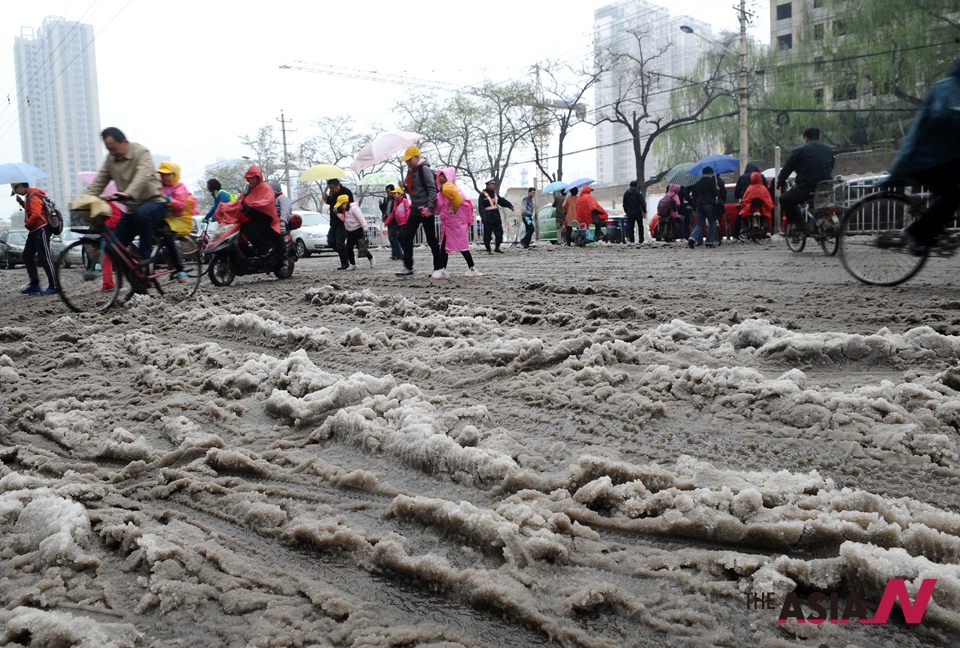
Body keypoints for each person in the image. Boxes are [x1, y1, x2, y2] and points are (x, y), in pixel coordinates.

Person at [884, 58, 960, 255]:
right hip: (923, 160)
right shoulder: (947, 87)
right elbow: (941, 115)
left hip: (943, 160)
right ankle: (916, 234)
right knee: (953, 195)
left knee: (950, 196)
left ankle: (933, 230)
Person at [86, 127, 169, 262]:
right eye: (109, 149)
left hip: (155, 202)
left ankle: (146, 259)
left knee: (142, 214)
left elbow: (142, 176)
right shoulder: (110, 160)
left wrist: (128, 193)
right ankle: (135, 277)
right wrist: (86, 199)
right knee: (115, 247)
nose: (112, 152)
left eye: (114, 148)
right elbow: (99, 181)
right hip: (131, 209)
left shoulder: (141, 152)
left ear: (125, 142)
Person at [217, 165, 283, 267]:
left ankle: (265, 249)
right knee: (242, 227)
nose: (251, 180)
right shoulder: (248, 189)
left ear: (258, 177)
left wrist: (252, 205)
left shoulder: (265, 188)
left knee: (249, 228)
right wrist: (224, 208)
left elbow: (268, 200)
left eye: (253, 178)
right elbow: (239, 201)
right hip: (251, 216)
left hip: (265, 217)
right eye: (249, 178)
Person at [777, 128, 835, 232]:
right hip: (825, 186)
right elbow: (831, 165)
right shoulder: (829, 149)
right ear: (818, 137)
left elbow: (788, 168)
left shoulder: (800, 150)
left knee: (784, 199)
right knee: (818, 203)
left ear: (805, 138)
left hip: (806, 188)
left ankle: (800, 225)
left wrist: (780, 181)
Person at [397, 146, 441, 276]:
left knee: (431, 239)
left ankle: (438, 268)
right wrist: (403, 187)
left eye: (409, 159)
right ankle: (408, 267)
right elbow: (413, 190)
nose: (407, 162)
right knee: (406, 237)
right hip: (415, 209)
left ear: (416, 157)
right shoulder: (411, 171)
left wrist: (430, 208)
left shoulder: (424, 169)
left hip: (426, 210)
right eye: (406, 160)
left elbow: (432, 189)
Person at [11, 182, 58, 294]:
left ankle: (55, 286)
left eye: (16, 190)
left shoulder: (33, 195)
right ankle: (34, 283)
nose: (17, 193)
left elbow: (36, 215)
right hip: (34, 231)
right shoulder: (29, 197)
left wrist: (27, 223)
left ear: (21, 186)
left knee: (45, 258)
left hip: (41, 229)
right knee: (27, 255)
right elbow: (32, 210)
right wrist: (22, 203)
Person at [433, 167, 480, 278]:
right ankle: (445, 269)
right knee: (448, 247)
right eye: (440, 176)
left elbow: (459, 198)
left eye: (443, 176)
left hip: (455, 224)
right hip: (449, 225)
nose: (441, 178)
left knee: (461, 248)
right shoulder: (444, 191)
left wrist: (453, 208)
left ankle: (470, 268)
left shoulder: (449, 188)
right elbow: (439, 206)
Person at [157, 161, 195, 280]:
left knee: (169, 239)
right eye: (162, 175)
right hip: (163, 219)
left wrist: (169, 199)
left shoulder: (180, 188)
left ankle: (180, 269)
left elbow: (181, 206)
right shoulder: (159, 187)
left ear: (174, 175)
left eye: (168, 174)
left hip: (177, 220)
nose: (165, 177)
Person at [334, 194, 374, 269]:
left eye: (341, 205)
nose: (340, 207)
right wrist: (337, 214)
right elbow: (343, 219)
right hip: (350, 231)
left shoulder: (354, 208)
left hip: (358, 230)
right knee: (348, 248)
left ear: (345, 203)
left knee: (361, 248)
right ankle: (353, 264)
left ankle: (371, 258)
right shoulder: (344, 210)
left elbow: (361, 218)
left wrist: (365, 228)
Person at [477, 178, 514, 254]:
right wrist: (484, 218)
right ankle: (488, 249)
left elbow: (501, 201)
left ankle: (497, 248)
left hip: (496, 217)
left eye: (494, 184)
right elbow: (481, 208)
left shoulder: (495, 194)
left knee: (499, 233)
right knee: (487, 235)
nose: (493, 186)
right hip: (488, 217)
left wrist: (509, 205)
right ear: (487, 185)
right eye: (492, 184)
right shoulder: (482, 195)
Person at [324, 178, 353, 270]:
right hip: (334, 222)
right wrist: (326, 199)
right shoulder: (332, 193)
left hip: (343, 222)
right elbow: (332, 203)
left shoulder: (346, 192)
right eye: (329, 188)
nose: (331, 190)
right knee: (331, 241)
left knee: (340, 242)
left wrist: (339, 210)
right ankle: (346, 255)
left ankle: (345, 263)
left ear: (337, 185)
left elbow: (349, 206)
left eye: (332, 188)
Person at [688, 166, 720, 249]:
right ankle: (709, 241)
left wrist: (695, 203)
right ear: (710, 173)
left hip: (699, 205)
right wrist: (717, 189)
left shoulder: (697, 182)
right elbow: (715, 194)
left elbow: (693, 195)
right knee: (712, 223)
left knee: (700, 224)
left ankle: (692, 237)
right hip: (709, 205)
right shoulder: (711, 182)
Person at [380, 184, 403, 260]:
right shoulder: (386, 199)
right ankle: (395, 254)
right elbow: (385, 209)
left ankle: (399, 254)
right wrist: (381, 205)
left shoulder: (395, 199)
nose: (387, 193)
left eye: (389, 191)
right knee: (391, 238)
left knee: (394, 237)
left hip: (394, 220)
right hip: (388, 220)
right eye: (386, 192)